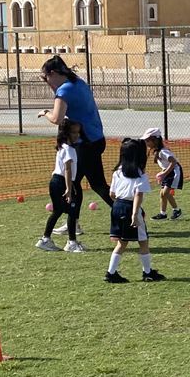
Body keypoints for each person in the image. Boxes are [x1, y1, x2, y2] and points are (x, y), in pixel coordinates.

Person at [37, 56, 110, 205]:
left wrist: (45, 112)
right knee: (83, 183)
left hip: (85, 144)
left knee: (79, 183)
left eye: (46, 79)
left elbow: (57, 118)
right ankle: (74, 221)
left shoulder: (64, 91)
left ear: (52, 73)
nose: (47, 83)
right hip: (96, 140)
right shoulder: (79, 83)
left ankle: (128, 213)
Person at [105, 137, 164, 284]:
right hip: (130, 208)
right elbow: (138, 194)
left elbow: (111, 194)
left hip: (117, 206)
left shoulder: (117, 172)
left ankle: (111, 273)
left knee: (122, 242)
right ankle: (147, 273)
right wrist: (134, 215)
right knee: (143, 241)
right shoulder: (140, 174)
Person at [36, 119, 85, 253]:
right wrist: (69, 189)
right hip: (63, 182)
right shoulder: (68, 149)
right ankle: (71, 243)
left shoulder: (62, 147)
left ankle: (45, 239)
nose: (77, 135)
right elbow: (68, 170)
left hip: (55, 181)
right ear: (66, 133)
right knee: (72, 211)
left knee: (57, 211)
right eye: (74, 132)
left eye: (78, 132)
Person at [142, 128, 182, 220]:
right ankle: (168, 212)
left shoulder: (163, 151)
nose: (146, 143)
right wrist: (163, 172)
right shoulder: (156, 151)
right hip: (167, 172)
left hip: (174, 172)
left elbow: (173, 162)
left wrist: (164, 174)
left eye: (148, 140)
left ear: (155, 140)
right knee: (163, 194)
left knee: (165, 193)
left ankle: (174, 211)